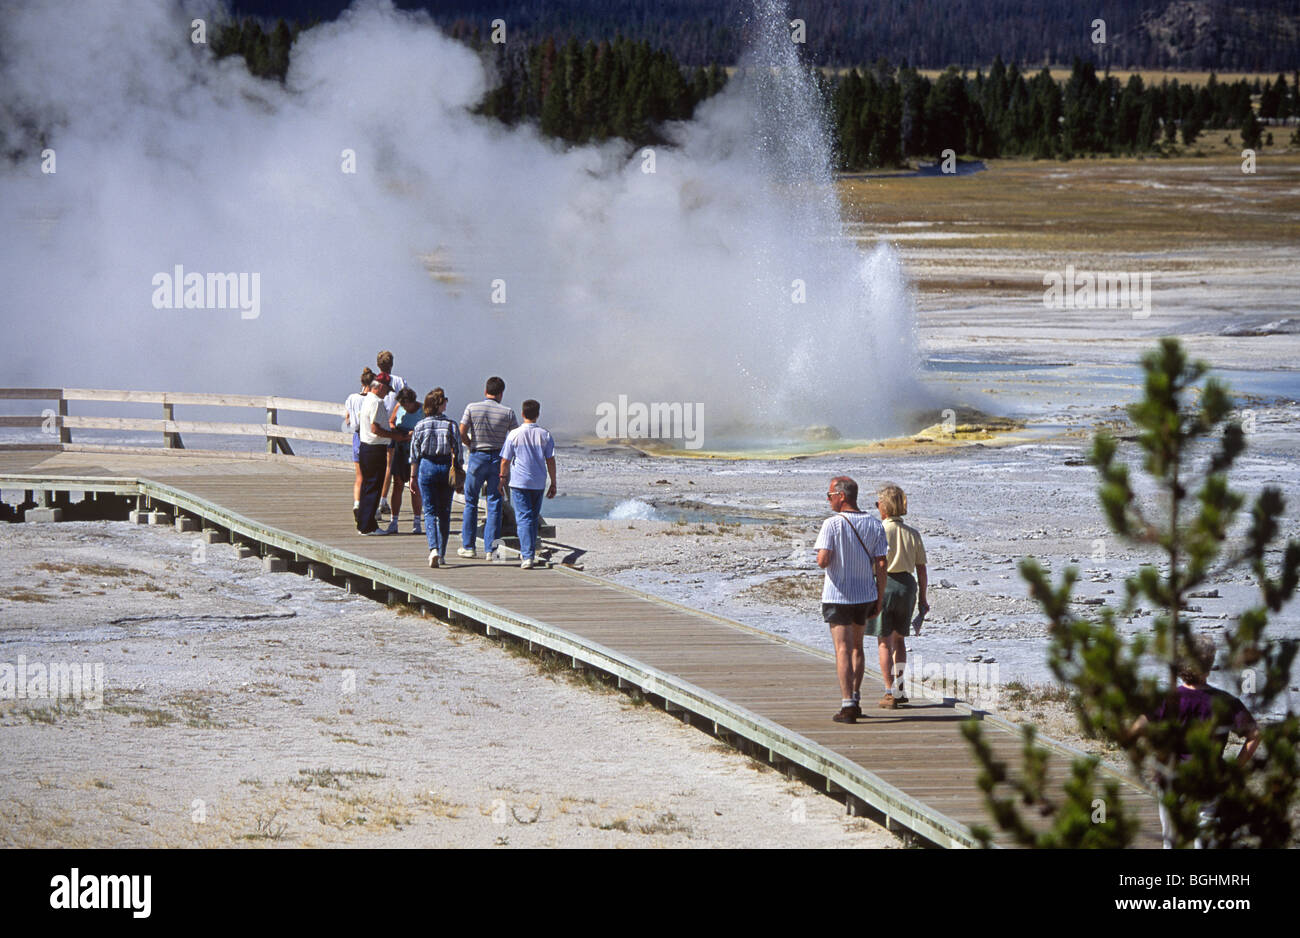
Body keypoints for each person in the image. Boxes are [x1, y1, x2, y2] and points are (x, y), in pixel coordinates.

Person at [1126, 635, 1260, 848]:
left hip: (1171, 776)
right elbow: (1254, 735)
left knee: (1170, 838)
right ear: (1209, 665)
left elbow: (1137, 728)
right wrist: (1235, 768)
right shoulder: (1226, 702)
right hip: (1209, 778)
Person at [815, 476, 888, 724]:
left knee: (842, 649)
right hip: (865, 594)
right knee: (858, 646)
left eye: (830, 495)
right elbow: (881, 563)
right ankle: (855, 698)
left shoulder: (832, 525)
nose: (828, 500)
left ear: (841, 496)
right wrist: (880, 597)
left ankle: (847, 704)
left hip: (838, 595)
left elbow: (823, 560)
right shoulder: (874, 524)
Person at [874, 483, 929, 708]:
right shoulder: (912, 534)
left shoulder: (879, 531)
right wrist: (923, 598)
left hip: (885, 585)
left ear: (883, 507)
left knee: (884, 641)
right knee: (899, 640)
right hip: (907, 585)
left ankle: (889, 692)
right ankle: (899, 686)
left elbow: (874, 563)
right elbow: (922, 569)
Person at [458, 376, 518, 559]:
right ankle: (490, 550)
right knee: (495, 503)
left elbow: (461, 431)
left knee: (471, 502)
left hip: (477, 456)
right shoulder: (507, 412)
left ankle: (468, 546)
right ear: (501, 394)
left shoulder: (472, 407)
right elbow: (514, 436)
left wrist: (470, 445)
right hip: (498, 459)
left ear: (485, 391)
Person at [499, 399, 556, 569]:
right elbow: (550, 460)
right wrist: (553, 482)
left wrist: (502, 479)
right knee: (532, 516)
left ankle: (527, 555)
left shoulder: (514, 434)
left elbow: (505, 460)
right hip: (538, 482)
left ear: (523, 414)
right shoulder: (544, 435)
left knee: (523, 518)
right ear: (538, 414)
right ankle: (530, 551)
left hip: (518, 482)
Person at [410, 388, 463, 567]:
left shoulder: (420, 426)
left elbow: (414, 454)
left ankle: (432, 548)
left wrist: (412, 476)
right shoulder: (451, 425)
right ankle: (441, 553)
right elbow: (459, 452)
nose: (447, 402)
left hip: (427, 466)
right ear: (439, 405)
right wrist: (459, 473)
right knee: (444, 512)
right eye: (444, 400)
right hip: (446, 467)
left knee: (430, 511)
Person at [355, 375, 400, 535]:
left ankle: (363, 523)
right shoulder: (377, 402)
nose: (388, 394)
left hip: (365, 448)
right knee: (374, 487)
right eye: (387, 389)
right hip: (375, 449)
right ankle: (369, 527)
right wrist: (395, 436)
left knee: (367, 486)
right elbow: (375, 428)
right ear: (380, 387)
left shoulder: (367, 399)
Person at [384, 386, 423, 535]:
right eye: (403, 404)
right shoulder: (399, 407)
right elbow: (391, 421)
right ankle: (394, 521)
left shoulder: (422, 410)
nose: (405, 407)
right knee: (398, 485)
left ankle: (417, 522)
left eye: (407, 404)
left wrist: (415, 434)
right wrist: (396, 431)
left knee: (415, 486)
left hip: (416, 449)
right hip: (400, 447)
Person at [375, 350, 407, 524]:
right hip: (391, 427)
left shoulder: (372, 380)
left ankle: (377, 500)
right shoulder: (399, 381)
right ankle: (382, 499)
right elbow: (404, 401)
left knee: (376, 464)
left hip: (375, 427)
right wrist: (393, 418)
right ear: (392, 364)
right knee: (388, 464)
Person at [344, 367, 375, 516]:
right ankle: (371, 510)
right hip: (368, 438)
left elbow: (347, 419)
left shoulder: (351, 398)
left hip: (356, 437)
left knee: (359, 477)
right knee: (371, 477)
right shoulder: (372, 400)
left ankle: (357, 504)